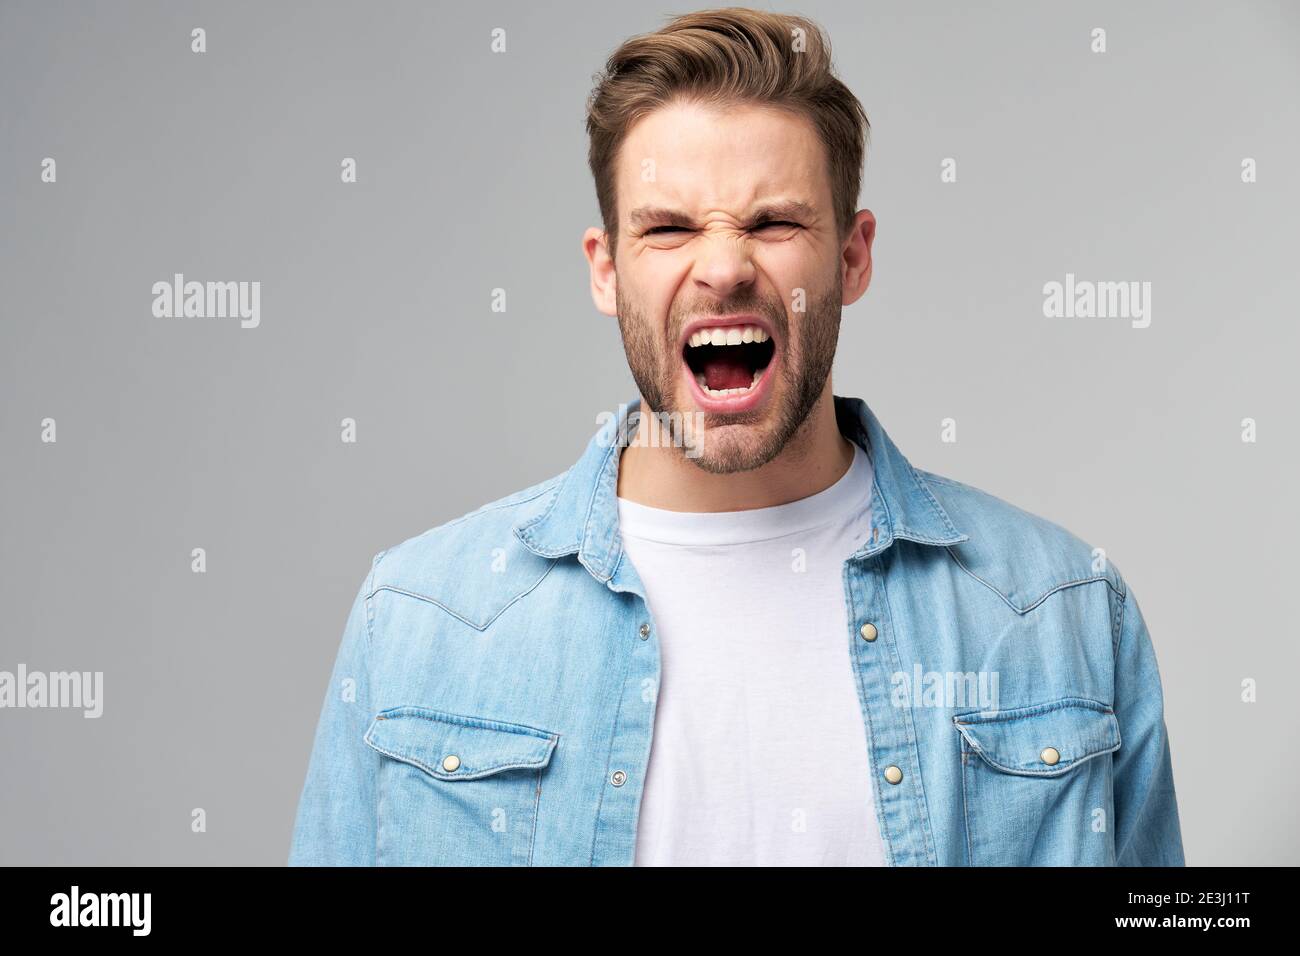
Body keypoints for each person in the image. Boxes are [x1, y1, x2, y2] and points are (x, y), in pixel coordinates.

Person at [289, 7, 1183, 866]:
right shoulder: (415, 621)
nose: (722, 266)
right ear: (606, 271)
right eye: (669, 227)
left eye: (773, 222)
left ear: (853, 257)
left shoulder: (1062, 615)